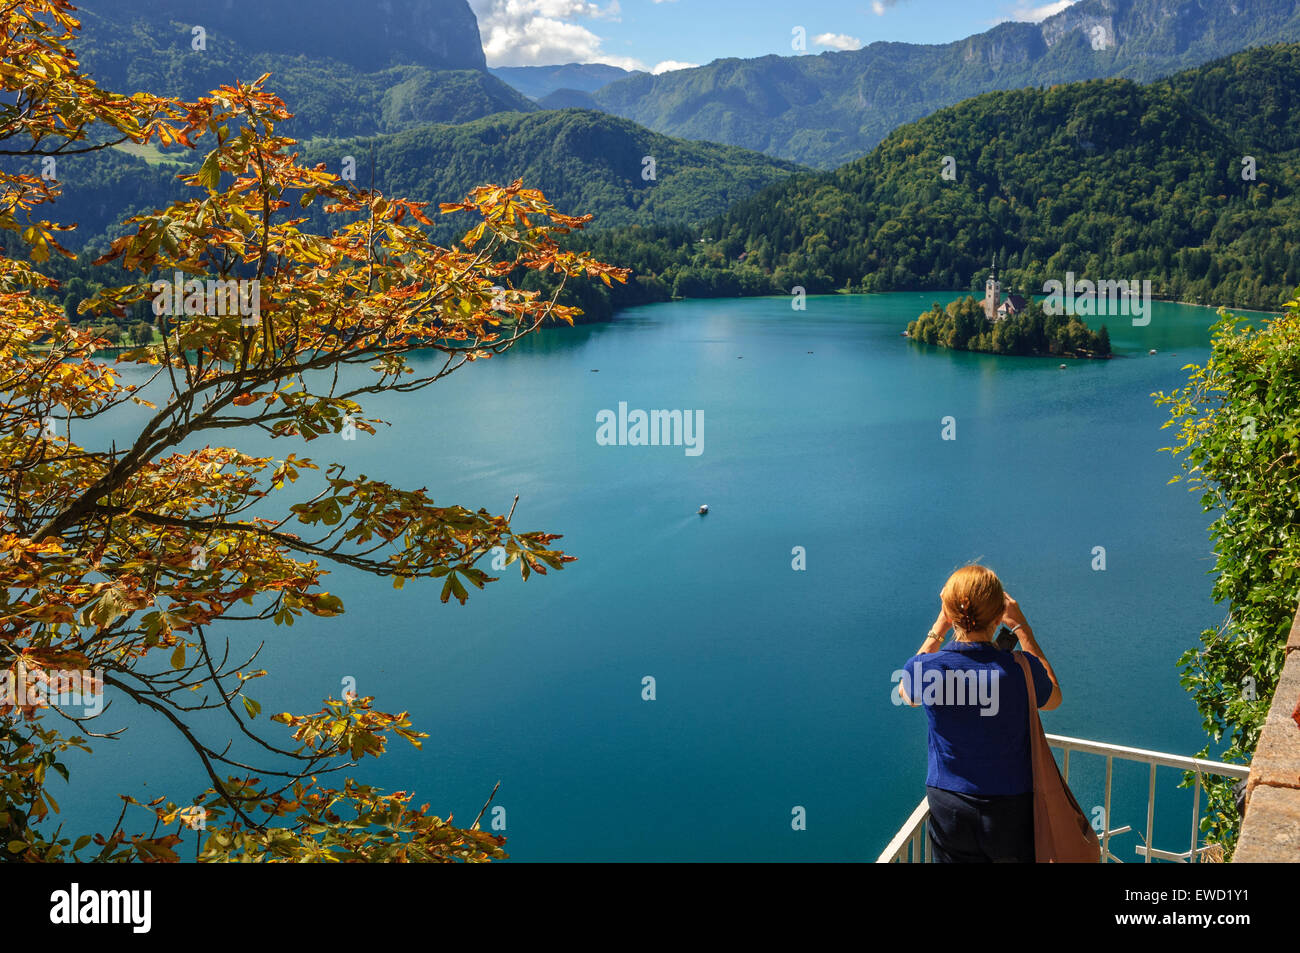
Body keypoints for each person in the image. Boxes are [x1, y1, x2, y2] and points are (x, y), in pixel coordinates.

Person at [897, 564, 1062, 863]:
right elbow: (1053, 698)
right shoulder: (1017, 668)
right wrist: (1022, 627)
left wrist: (938, 627)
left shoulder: (929, 670)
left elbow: (905, 694)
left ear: (949, 614)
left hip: (949, 803)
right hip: (1010, 804)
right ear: (999, 615)